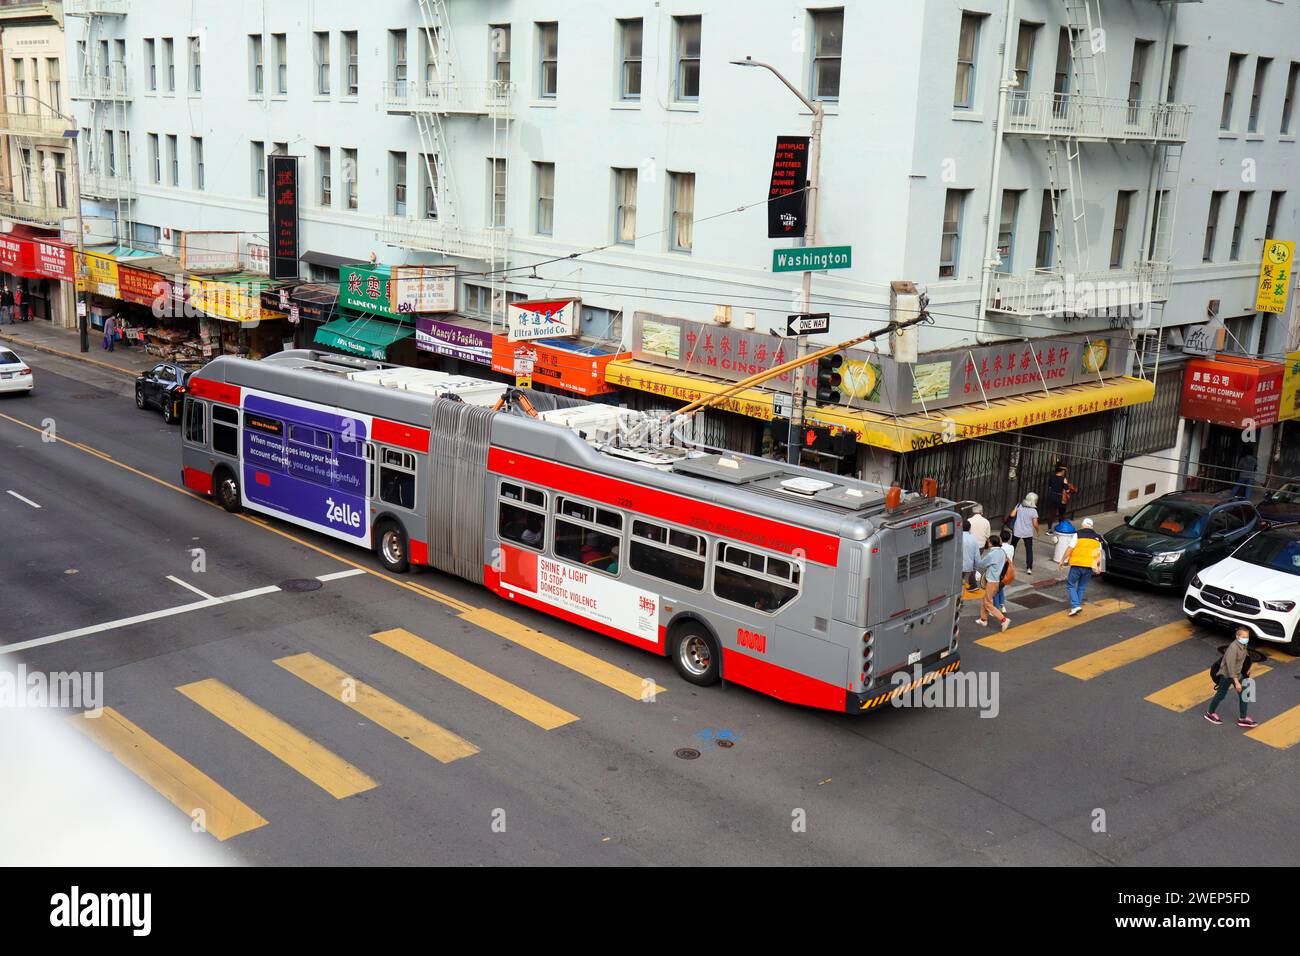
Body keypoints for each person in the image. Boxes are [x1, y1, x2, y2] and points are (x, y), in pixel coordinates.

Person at [1205, 627, 1259, 728]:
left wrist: (1248, 667)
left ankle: (1243, 718)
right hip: (1227, 675)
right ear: (1237, 636)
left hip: (1237, 674)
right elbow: (1230, 667)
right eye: (1243, 637)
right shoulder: (1233, 649)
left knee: (1244, 693)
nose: (1245, 638)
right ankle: (1209, 713)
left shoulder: (1243, 644)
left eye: (1247, 637)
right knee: (1221, 694)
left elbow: (1245, 656)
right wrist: (1237, 682)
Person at [1059, 517, 1103, 615]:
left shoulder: (1077, 535)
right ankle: (1077, 606)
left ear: (1083, 525)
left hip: (1077, 564)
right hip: (1089, 566)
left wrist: (1062, 560)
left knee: (1070, 584)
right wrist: (1099, 566)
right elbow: (1099, 554)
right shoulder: (1098, 538)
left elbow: (1070, 549)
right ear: (1092, 527)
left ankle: (1075, 605)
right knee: (1082, 587)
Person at [975, 539, 1011, 632]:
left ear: (991, 543)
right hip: (997, 580)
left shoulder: (992, 554)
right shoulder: (1002, 551)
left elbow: (981, 563)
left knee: (988, 603)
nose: (988, 542)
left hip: (991, 581)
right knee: (985, 599)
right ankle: (983, 619)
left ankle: (1003, 619)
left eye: (989, 541)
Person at [1008, 492, 1040, 575]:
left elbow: (1012, 514)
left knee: (1012, 547)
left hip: (1017, 530)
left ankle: (1009, 564)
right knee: (1029, 550)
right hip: (1027, 533)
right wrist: (1038, 531)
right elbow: (1035, 524)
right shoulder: (1033, 511)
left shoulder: (1019, 505)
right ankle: (1029, 568)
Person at [993, 535, 1016, 612]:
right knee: (1001, 588)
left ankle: (996, 607)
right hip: (1008, 571)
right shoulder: (1012, 547)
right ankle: (1002, 606)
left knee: (996, 589)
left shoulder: (999, 548)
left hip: (999, 570)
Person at [961, 520, 980, 591]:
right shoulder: (974, 539)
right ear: (969, 528)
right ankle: (973, 585)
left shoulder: (957, 537)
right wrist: (975, 568)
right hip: (969, 565)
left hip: (957, 565)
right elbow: (977, 556)